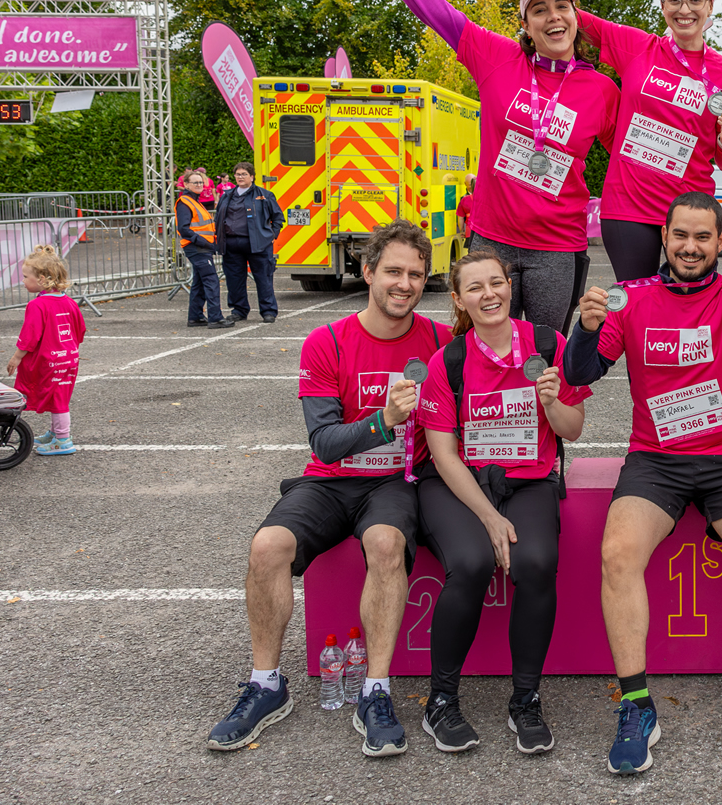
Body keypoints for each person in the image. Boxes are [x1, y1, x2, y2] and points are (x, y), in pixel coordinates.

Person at [563, 176, 722, 775]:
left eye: (703, 236)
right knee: (617, 553)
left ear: (718, 242)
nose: (691, 246)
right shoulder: (630, 298)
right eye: (681, 235)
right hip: (657, 461)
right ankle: (635, 705)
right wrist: (586, 326)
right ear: (665, 237)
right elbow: (579, 373)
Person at [206, 220, 451, 756]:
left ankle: (375, 691)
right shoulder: (327, 341)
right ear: (367, 271)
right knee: (266, 546)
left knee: (386, 544)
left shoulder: (439, 340)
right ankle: (266, 684)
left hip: (394, 483)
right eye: (393, 271)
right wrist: (383, 422)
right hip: (332, 481)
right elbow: (323, 442)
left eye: (415, 274)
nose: (404, 283)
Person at [352, 0, 620, 333]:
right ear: (527, 26)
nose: (553, 17)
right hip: (493, 240)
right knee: (483, 348)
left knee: (546, 356)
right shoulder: (496, 57)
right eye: (539, 9)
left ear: (575, 17)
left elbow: (628, 159)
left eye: (562, 6)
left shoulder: (602, 89)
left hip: (557, 245)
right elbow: (432, 7)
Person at [471, 0, 722, 282]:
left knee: (689, 306)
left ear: (710, 6)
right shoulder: (636, 47)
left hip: (689, 209)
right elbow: (563, 12)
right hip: (630, 207)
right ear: (662, 5)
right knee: (636, 309)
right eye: (674, 0)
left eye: (695, 0)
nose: (685, 9)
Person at [412, 250, 591, 755]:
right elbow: (444, 455)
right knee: (469, 563)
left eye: (497, 282)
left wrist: (552, 401)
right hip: (458, 483)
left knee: (536, 562)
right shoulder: (447, 360)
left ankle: (526, 699)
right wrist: (489, 518)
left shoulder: (547, 343)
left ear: (511, 286)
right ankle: (441, 700)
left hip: (528, 479)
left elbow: (573, 432)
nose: (489, 294)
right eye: (475, 287)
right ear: (458, 299)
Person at [5, 246, 84, 457]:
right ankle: (55, 432)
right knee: (59, 396)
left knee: (58, 401)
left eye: (25, 276)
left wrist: (17, 357)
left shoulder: (38, 305)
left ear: (41, 279)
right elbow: (80, 330)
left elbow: (30, 336)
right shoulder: (69, 302)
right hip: (69, 358)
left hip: (50, 361)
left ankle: (62, 439)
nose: (22, 281)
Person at [215, 161, 284, 323]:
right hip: (232, 244)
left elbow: (278, 217)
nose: (240, 177)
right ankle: (239, 310)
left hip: (259, 244)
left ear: (252, 177)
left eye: (244, 174)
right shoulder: (227, 196)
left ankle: (268, 311)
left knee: (263, 278)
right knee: (234, 279)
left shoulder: (265, 195)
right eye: (238, 174)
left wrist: (272, 235)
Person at [177, 172, 234, 330]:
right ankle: (215, 318)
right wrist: (205, 243)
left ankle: (195, 317)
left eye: (201, 183)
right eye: (195, 183)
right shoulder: (185, 202)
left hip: (200, 246)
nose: (199, 185)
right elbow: (183, 228)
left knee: (200, 283)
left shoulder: (195, 201)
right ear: (186, 185)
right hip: (197, 247)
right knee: (211, 281)